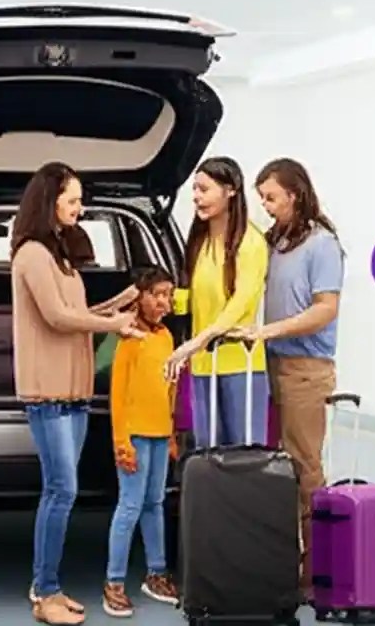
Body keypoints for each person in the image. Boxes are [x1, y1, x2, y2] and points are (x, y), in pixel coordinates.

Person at [11, 161, 143, 626]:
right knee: (61, 490)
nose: (79, 208)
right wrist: (113, 323)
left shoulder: (59, 256)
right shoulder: (31, 255)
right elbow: (56, 317)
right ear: (50, 201)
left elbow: (77, 313)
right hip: (47, 393)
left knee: (63, 491)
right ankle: (44, 591)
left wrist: (120, 304)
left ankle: (51, 587)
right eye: (73, 200)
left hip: (74, 393)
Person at [231, 157, 344, 599]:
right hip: (271, 365)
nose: (266, 205)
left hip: (305, 371)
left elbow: (325, 309)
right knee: (276, 466)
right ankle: (283, 559)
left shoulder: (322, 245)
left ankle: (315, 572)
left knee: (305, 467)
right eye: (261, 198)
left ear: (294, 195)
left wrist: (270, 331)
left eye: (271, 197)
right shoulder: (273, 242)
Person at [163, 157, 271, 449]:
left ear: (231, 190)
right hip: (203, 364)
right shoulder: (199, 241)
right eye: (194, 190)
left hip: (240, 363)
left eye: (204, 189)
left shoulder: (251, 242)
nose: (196, 197)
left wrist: (197, 342)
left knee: (243, 453)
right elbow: (190, 296)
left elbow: (239, 304)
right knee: (208, 452)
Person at [102, 266, 182, 618]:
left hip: (160, 435)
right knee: (130, 506)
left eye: (169, 295)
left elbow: (170, 388)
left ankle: (156, 573)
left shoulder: (166, 337)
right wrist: (122, 442)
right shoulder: (129, 339)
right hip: (134, 436)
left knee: (155, 502)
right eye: (157, 294)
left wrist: (172, 434)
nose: (164, 302)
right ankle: (114, 582)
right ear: (140, 297)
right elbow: (118, 396)